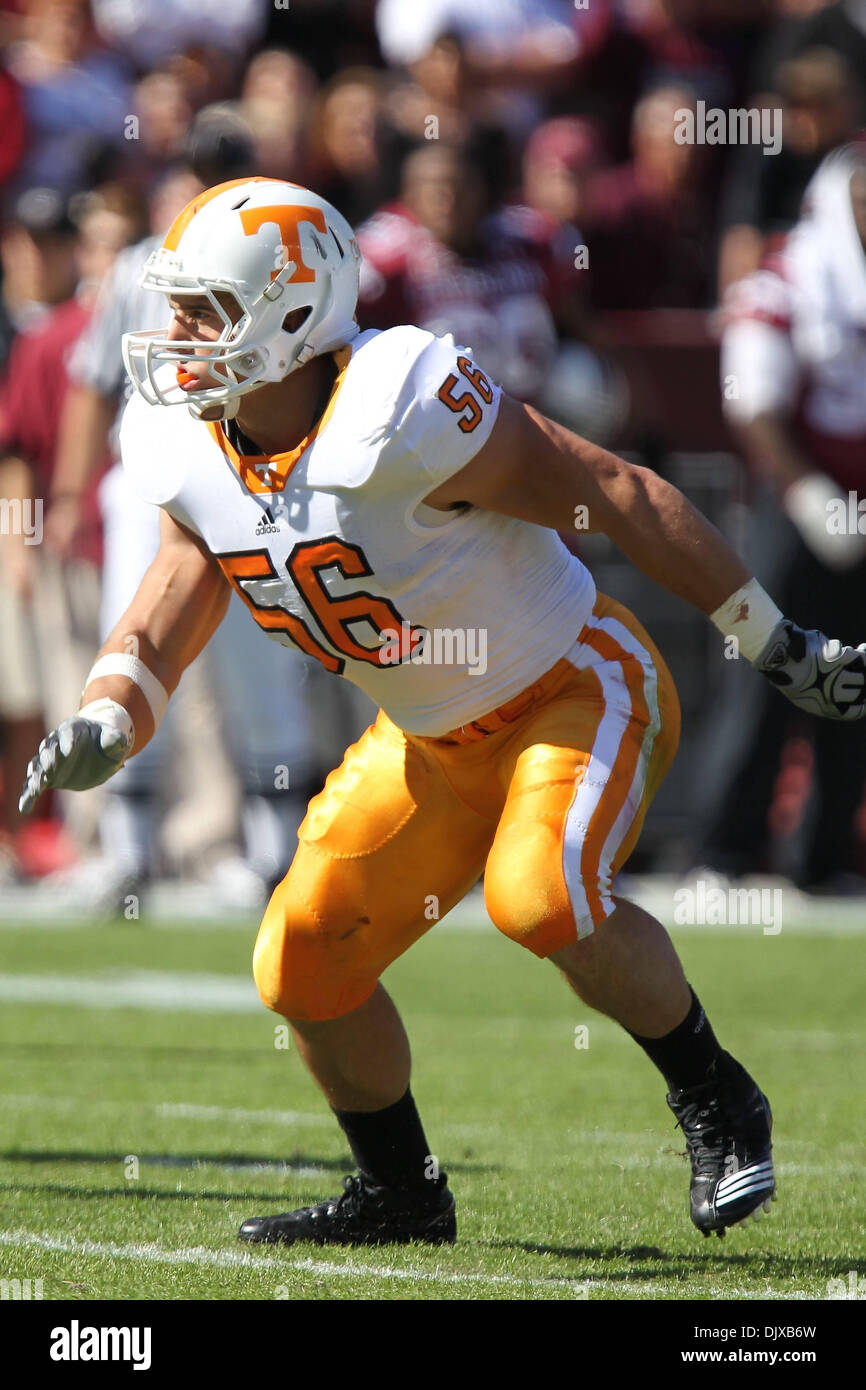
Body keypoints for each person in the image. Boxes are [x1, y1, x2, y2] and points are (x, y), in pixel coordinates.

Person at [19, 177, 866, 1248]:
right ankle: (402, 1192)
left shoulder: (403, 405)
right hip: (423, 738)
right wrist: (107, 710)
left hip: (571, 681)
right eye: (175, 305)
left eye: (205, 309)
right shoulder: (193, 440)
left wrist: (769, 637)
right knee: (301, 959)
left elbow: (610, 488)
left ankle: (719, 1098)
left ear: (290, 311)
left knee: (539, 895)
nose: (176, 333)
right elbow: (175, 592)